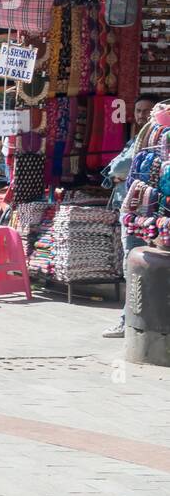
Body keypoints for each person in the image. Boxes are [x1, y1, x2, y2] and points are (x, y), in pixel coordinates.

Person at [102, 94, 160, 338]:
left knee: (134, 266)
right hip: (135, 211)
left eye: (146, 110)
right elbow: (114, 170)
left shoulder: (150, 140)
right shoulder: (137, 139)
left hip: (142, 213)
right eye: (137, 110)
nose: (141, 115)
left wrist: (120, 173)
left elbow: (118, 169)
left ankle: (129, 322)